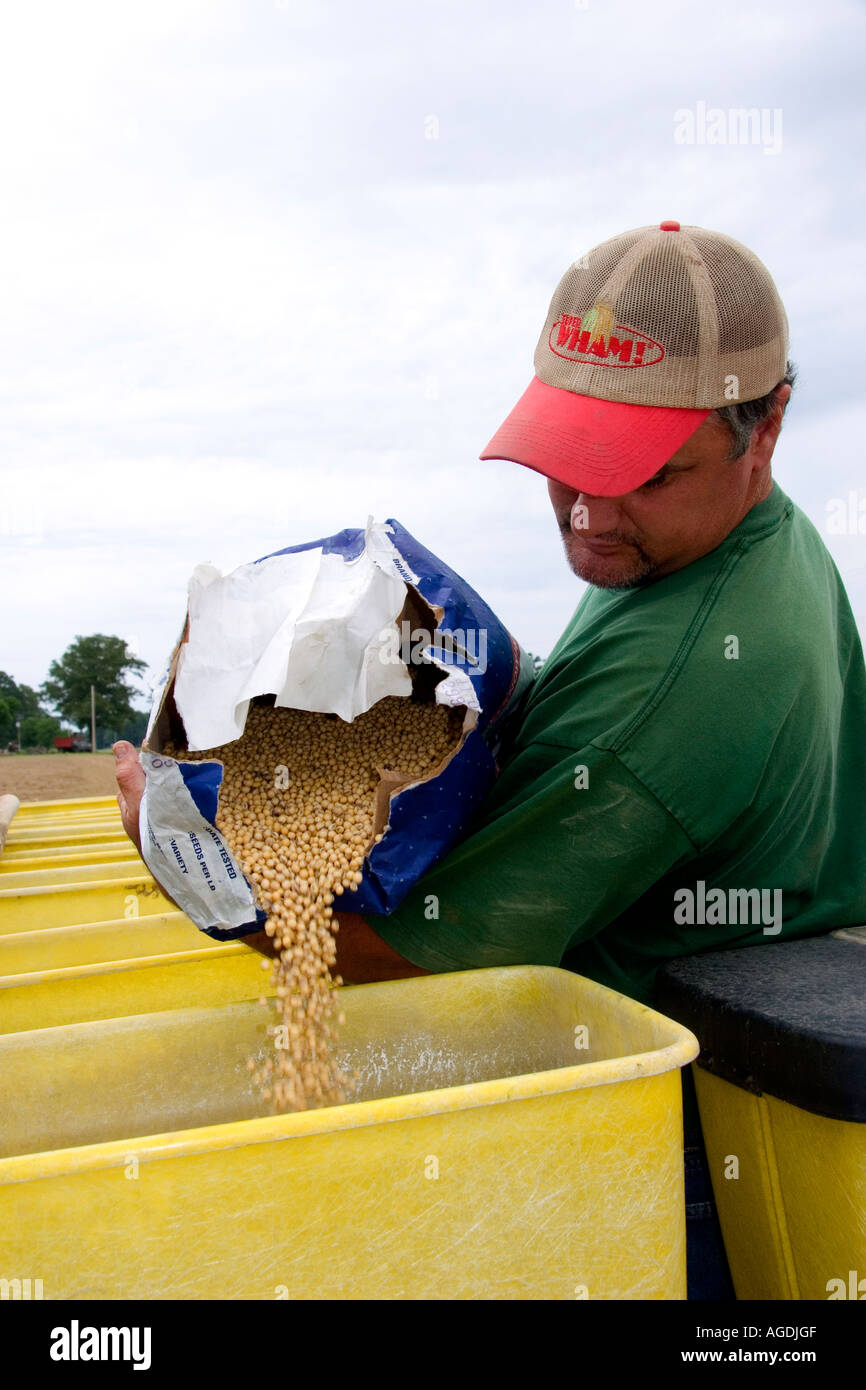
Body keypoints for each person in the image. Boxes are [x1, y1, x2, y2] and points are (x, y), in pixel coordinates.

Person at [114, 221, 866, 1298]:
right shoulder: (718, 548)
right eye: (569, 465)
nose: (588, 517)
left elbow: (419, 958)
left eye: (643, 475)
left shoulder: (682, 679)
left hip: (671, 1142)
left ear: (768, 424)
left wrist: (191, 861)